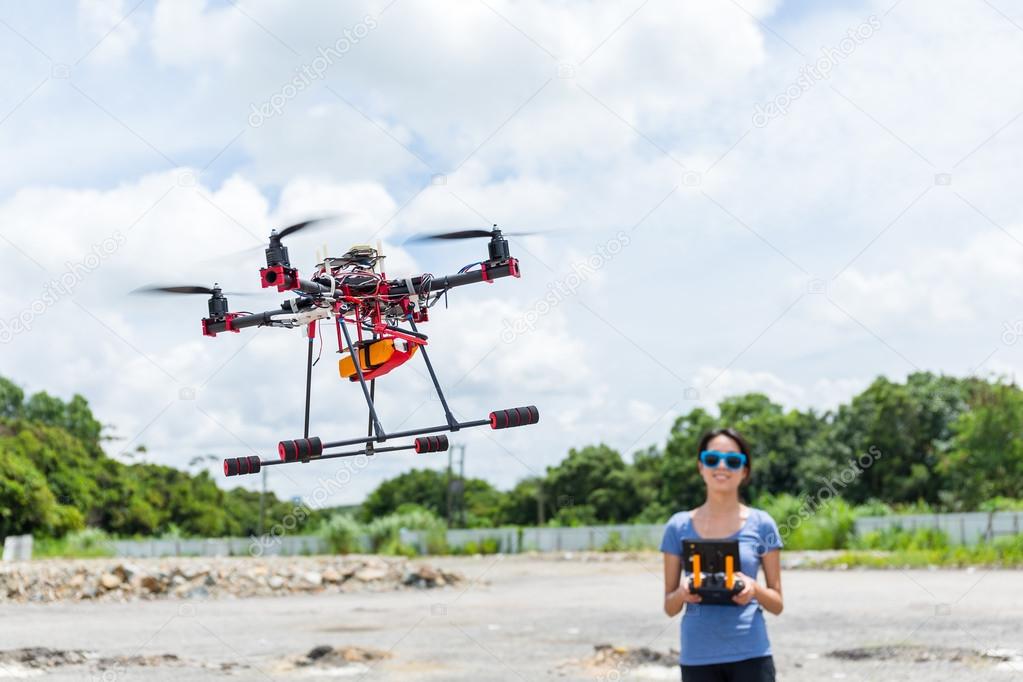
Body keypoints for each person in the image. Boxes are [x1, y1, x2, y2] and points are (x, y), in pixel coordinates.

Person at [660, 428, 784, 682]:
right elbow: (670, 607)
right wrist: (683, 593)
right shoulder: (677, 526)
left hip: (752, 655)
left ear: (745, 470)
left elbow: (777, 603)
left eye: (733, 460)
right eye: (713, 459)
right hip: (697, 657)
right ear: (700, 466)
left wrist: (753, 589)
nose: (722, 466)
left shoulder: (762, 524)